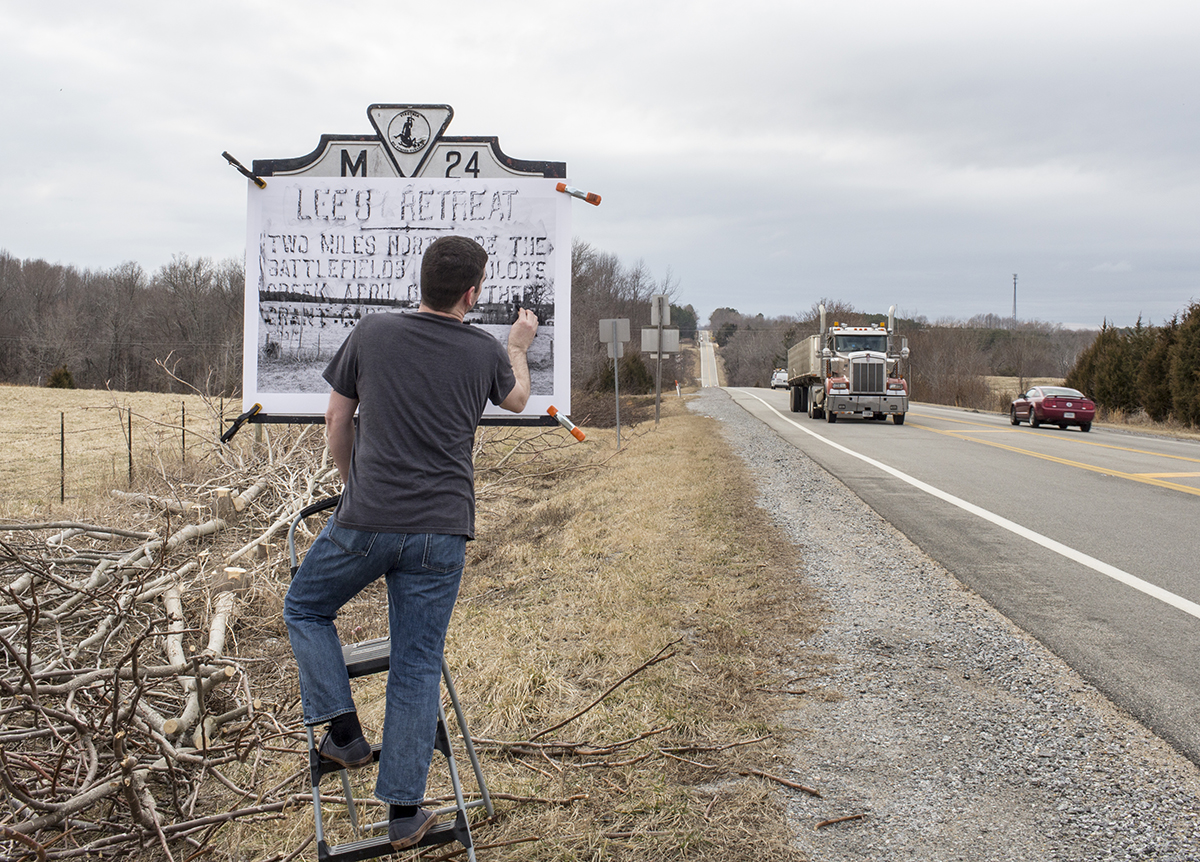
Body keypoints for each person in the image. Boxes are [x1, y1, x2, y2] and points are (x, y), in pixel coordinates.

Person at [284, 235, 539, 850]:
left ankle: (342, 731)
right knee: (417, 661)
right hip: (442, 529)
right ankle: (404, 814)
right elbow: (520, 399)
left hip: (368, 519)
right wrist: (516, 346)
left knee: (305, 606)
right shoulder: (484, 352)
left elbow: (337, 420)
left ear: (419, 282)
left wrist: (353, 485)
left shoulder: (371, 333)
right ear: (472, 293)